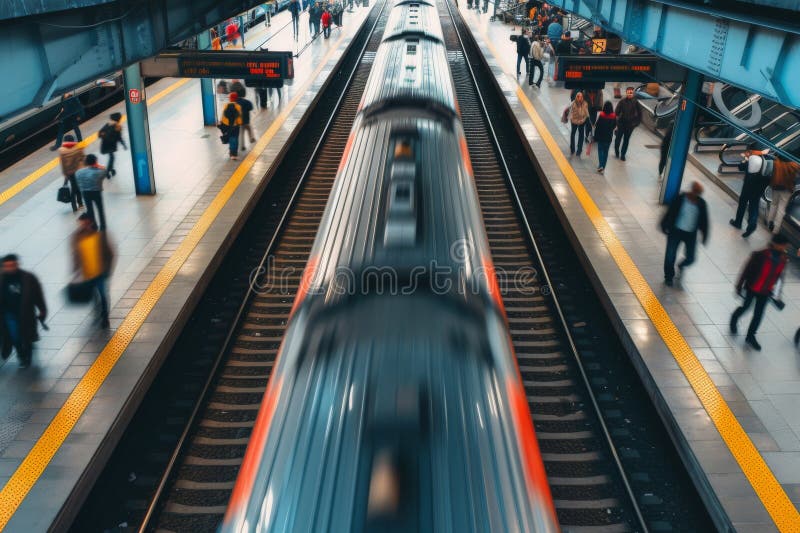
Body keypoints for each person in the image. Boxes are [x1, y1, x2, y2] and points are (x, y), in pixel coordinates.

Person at [729, 234, 789, 351]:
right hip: (752, 287)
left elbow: (780, 278)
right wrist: (739, 286)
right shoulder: (760, 255)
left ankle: (750, 336)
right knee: (746, 307)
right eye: (783, 245)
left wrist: (777, 295)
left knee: (758, 315)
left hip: (766, 291)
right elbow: (745, 271)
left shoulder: (783, 259)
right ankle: (734, 318)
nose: (784, 248)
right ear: (776, 244)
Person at [0, 255, 47, 368]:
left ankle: (27, 356)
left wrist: (42, 310)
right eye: (6, 266)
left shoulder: (28, 278)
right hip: (8, 313)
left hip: (26, 313)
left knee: (26, 336)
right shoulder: (1, 279)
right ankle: (21, 355)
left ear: (17, 264)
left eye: (12, 265)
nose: (9, 268)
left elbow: (38, 296)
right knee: (14, 335)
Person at [660, 181, 709, 286]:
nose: (696, 195)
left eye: (698, 193)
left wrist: (705, 235)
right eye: (695, 192)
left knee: (691, 258)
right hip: (676, 231)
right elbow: (670, 212)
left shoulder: (701, 204)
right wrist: (664, 224)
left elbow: (704, 221)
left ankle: (681, 265)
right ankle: (669, 277)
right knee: (670, 255)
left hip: (690, 234)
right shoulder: (680, 198)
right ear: (691, 190)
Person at [72, 214, 114, 329]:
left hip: (100, 273)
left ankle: (105, 317)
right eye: (81, 223)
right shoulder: (76, 237)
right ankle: (97, 313)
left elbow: (110, 253)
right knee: (94, 295)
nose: (82, 225)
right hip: (87, 274)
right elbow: (75, 255)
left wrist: (107, 269)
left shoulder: (99, 236)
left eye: (85, 223)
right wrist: (76, 271)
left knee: (103, 295)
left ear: (90, 222)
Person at [730, 150, 770, 238]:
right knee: (754, 204)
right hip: (760, 187)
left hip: (749, 185)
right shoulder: (768, 161)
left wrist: (744, 159)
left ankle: (738, 222)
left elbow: (740, 167)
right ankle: (752, 222)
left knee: (743, 203)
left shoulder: (752, 159)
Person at [766, 154, 800, 233]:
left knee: (773, 205)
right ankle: (776, 229)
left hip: (776, 186)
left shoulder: (776, 162)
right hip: (787, 189)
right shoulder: (794, 165)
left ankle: (769, 222)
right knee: (781, 209)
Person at [75, 154, 109, 230]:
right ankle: (103, 226)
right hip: (96, 192)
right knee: (100, 209)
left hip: (85, 193)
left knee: (90, 210)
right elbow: (105, 172)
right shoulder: (100, 172)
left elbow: (78, 180)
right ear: (95, 161)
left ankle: (94, 225)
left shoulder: (79, 172)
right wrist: (98, 166)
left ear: (86, 162)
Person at [59, 134, 85, 212]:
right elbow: (82, 159)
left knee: (73, 188)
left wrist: (65, 174)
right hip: (77, 171)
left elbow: (63, 164)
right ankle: (80, 203)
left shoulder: (62, 151)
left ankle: (74, 206)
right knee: (78, 188)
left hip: (69, 173)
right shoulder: (77, 149)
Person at [613, 87, 641, 161]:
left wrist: (635, 124)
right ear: (626, 93)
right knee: (618, 139)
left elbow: (640, 115)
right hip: (621, 123)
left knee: (626, 140)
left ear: (633, 93)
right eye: (628, 92)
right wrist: (616, 122)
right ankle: (616, 151)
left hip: (630, 125)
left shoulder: (636, 102)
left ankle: (623, 154)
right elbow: (616, 112)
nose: (629, 94)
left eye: (631, 92)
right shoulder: (622, 101)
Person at [98, 112, 127, 178]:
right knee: (112, 158)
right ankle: (108, 171)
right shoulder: (117, 126)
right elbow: (119, 137)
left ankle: (111, 169)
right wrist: (123, 144)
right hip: (110, 145)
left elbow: (100, 133)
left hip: (104, 144)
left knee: (111, 157)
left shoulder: (107, 124)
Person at [593, 101, 615, 173]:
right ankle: (603, 167)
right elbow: (614, 126)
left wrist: (595, 137)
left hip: (601, 137)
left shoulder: (601, 115)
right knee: (606, 152)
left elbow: (597, 127)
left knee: (600, 151)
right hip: (608, 137)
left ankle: (601, 165)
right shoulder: (613, 116)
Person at [220, 93, 243, 160]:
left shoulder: (226, 105)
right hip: (235, 125)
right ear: (236, 98)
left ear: (230, 98)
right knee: (235, 138)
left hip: (226, 125)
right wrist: (239, 123)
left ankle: (231, 152)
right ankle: (234, 154)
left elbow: (223, 115)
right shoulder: (238, 106)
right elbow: (239, 116)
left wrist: (221, 122)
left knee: (230, 137)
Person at [568, 92, 589, 158]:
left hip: (582, 121)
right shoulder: (573, 103)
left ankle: (579, 150)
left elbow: (586, 112)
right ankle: (572, 148)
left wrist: (586, 118)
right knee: (573, 133)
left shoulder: (585, 103)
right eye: (578, 96)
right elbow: (570, 112)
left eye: (580, 96)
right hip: (574, 121)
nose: (579, 98)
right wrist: (571, 118)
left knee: (581, 135)